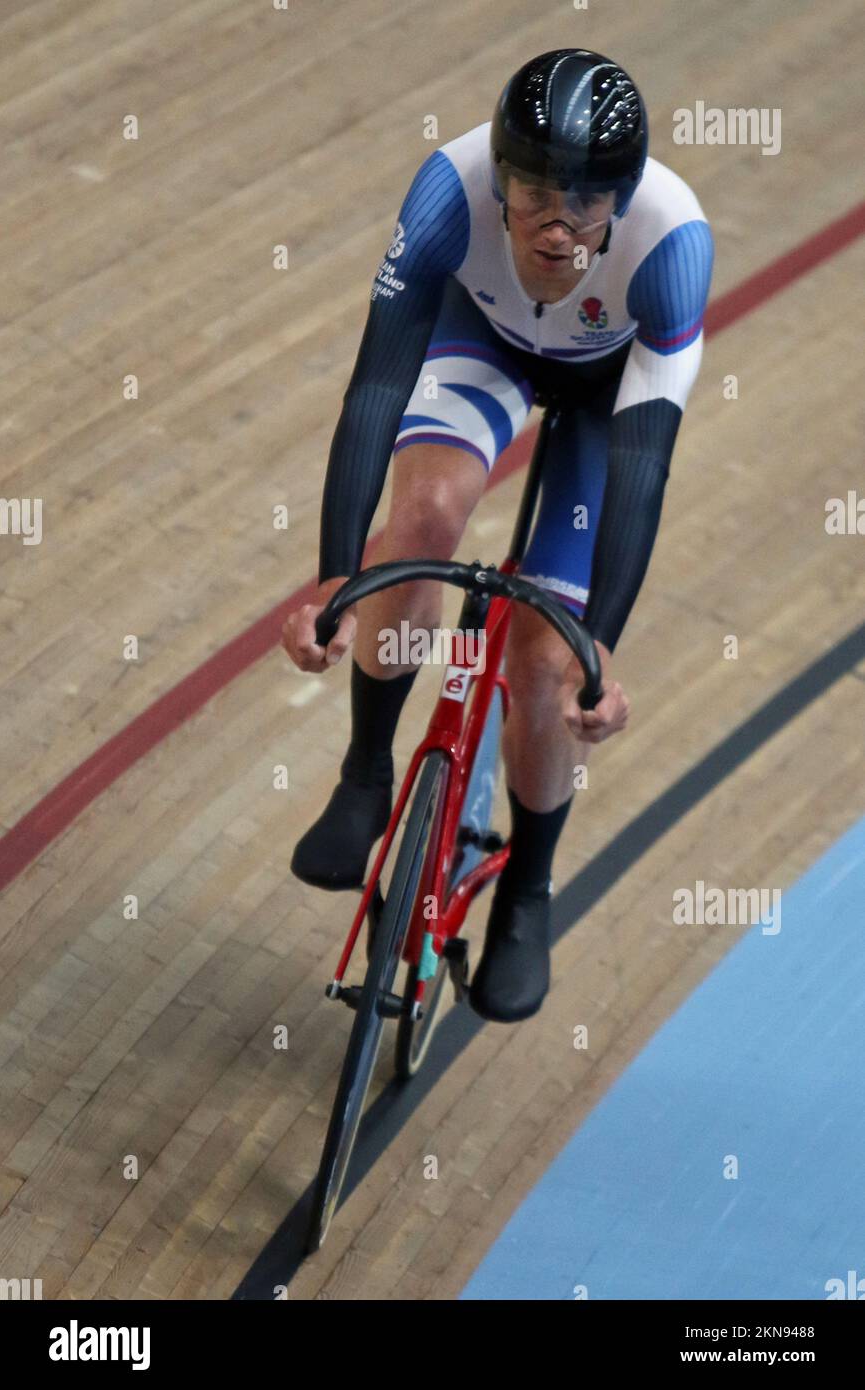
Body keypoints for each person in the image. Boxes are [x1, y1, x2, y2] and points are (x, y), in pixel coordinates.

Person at [282, 49, 714, 1023]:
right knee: (425, 516)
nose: (557, 230)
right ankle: (364, 774)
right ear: (499, 181)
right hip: (477, 340)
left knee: (540, 655)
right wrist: (331, 578)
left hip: (603, 400)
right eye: (532, 197)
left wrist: (594, 646)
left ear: (624, 198)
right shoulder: (445, 193)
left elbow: (639, 467)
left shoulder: (671, 245)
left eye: (584, 205)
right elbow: (377, 393)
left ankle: (527, 890)